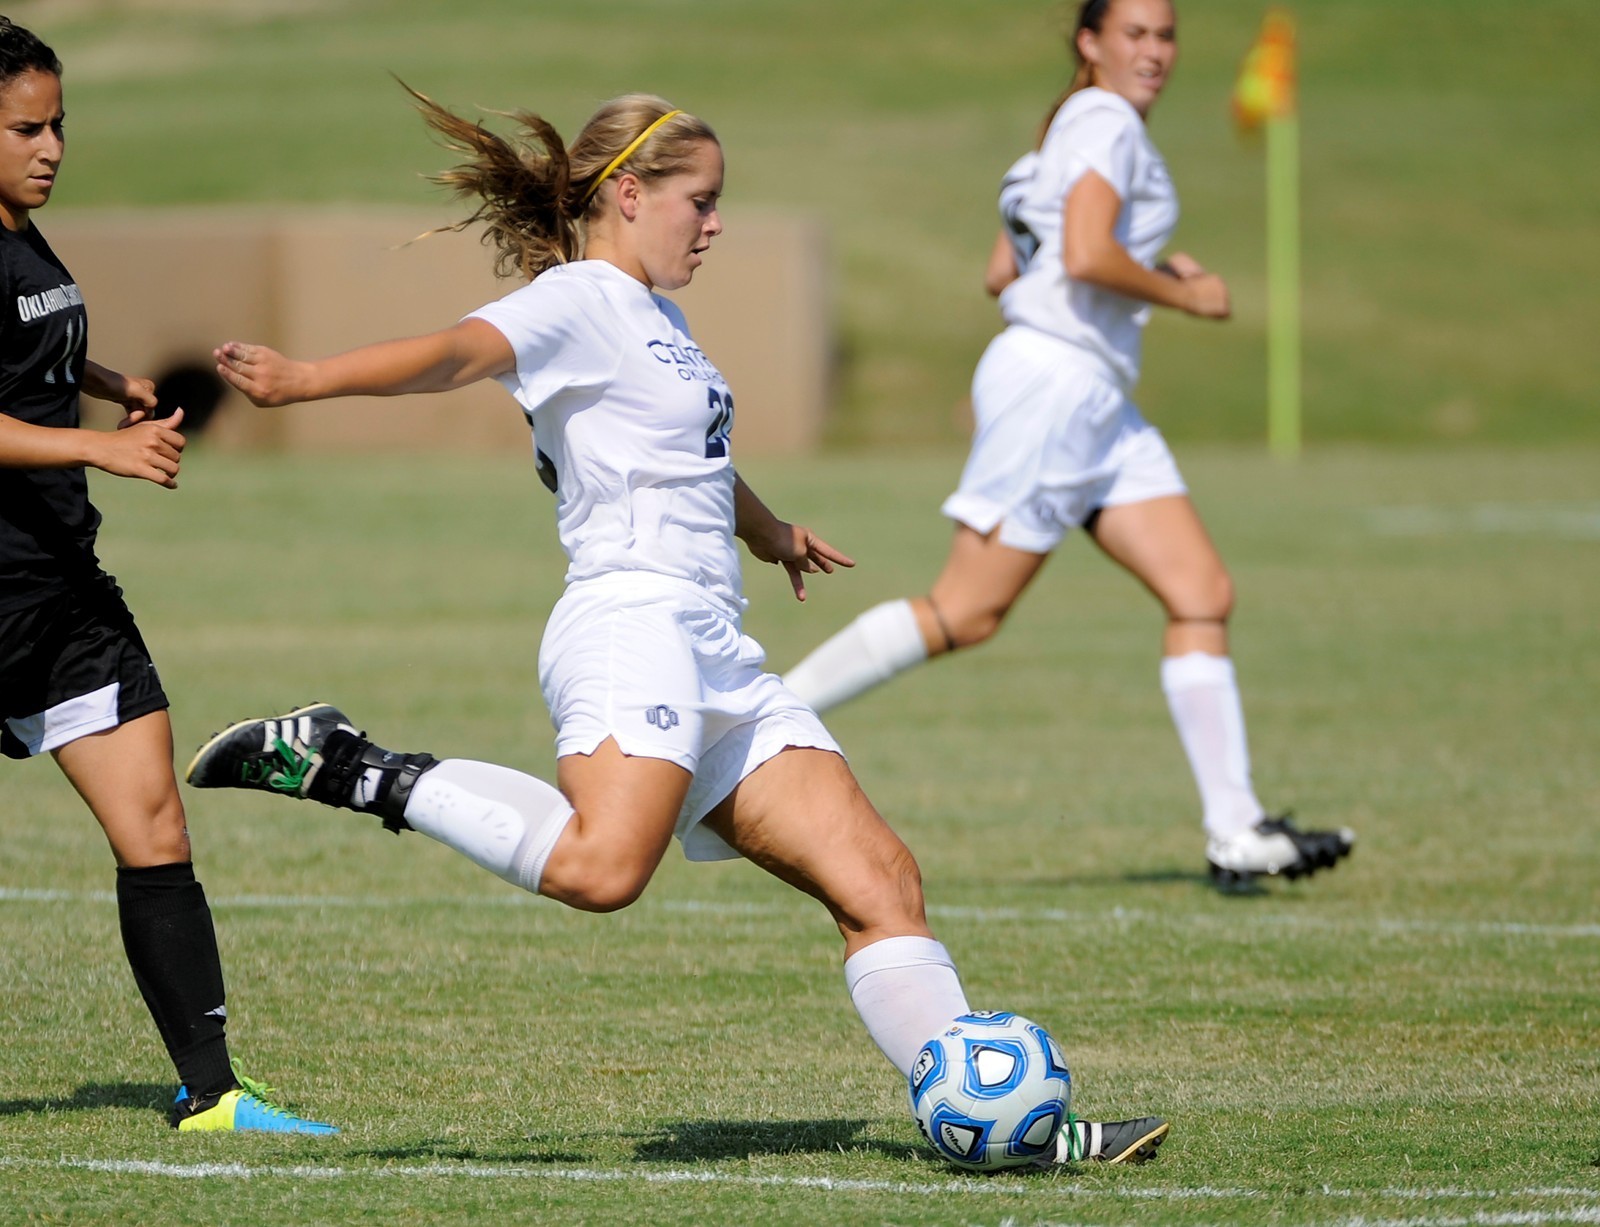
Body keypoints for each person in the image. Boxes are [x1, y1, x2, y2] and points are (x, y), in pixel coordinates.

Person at [187, 86, 1167, 1166]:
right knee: (604, 872)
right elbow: (457, 352)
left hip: (715, 650)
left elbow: (694, 453)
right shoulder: (580, 300)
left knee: (880, 883)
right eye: (699, 202)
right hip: (630, 624)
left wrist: (768, 530)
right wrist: (304, 379)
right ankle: (350, 764)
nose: (714, 224)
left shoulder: (664, 320)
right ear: (628, 193)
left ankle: (1001, 1126)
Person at [782, 0, 1354, 891]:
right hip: (1060, 387)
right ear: (1090, 43)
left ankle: (1237, 829)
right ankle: (764, 720)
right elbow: (1085, 255)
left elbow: (1001, 268)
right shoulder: (1108, 122)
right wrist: (1181, 289)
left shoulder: (1056, 139)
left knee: (1200, 590)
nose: (1155, 51)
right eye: (1134, 33)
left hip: (1088, 399)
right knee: (965, 611)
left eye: (1166, 35)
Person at [0, 18, 334, 1134]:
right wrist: (96, 443)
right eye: (25, 128)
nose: (51, 148)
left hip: (55, 595)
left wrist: (102, 378)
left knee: (155, 828)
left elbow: (19, 349)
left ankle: (213, 1093)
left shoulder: (25, 237)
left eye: (59, 125)